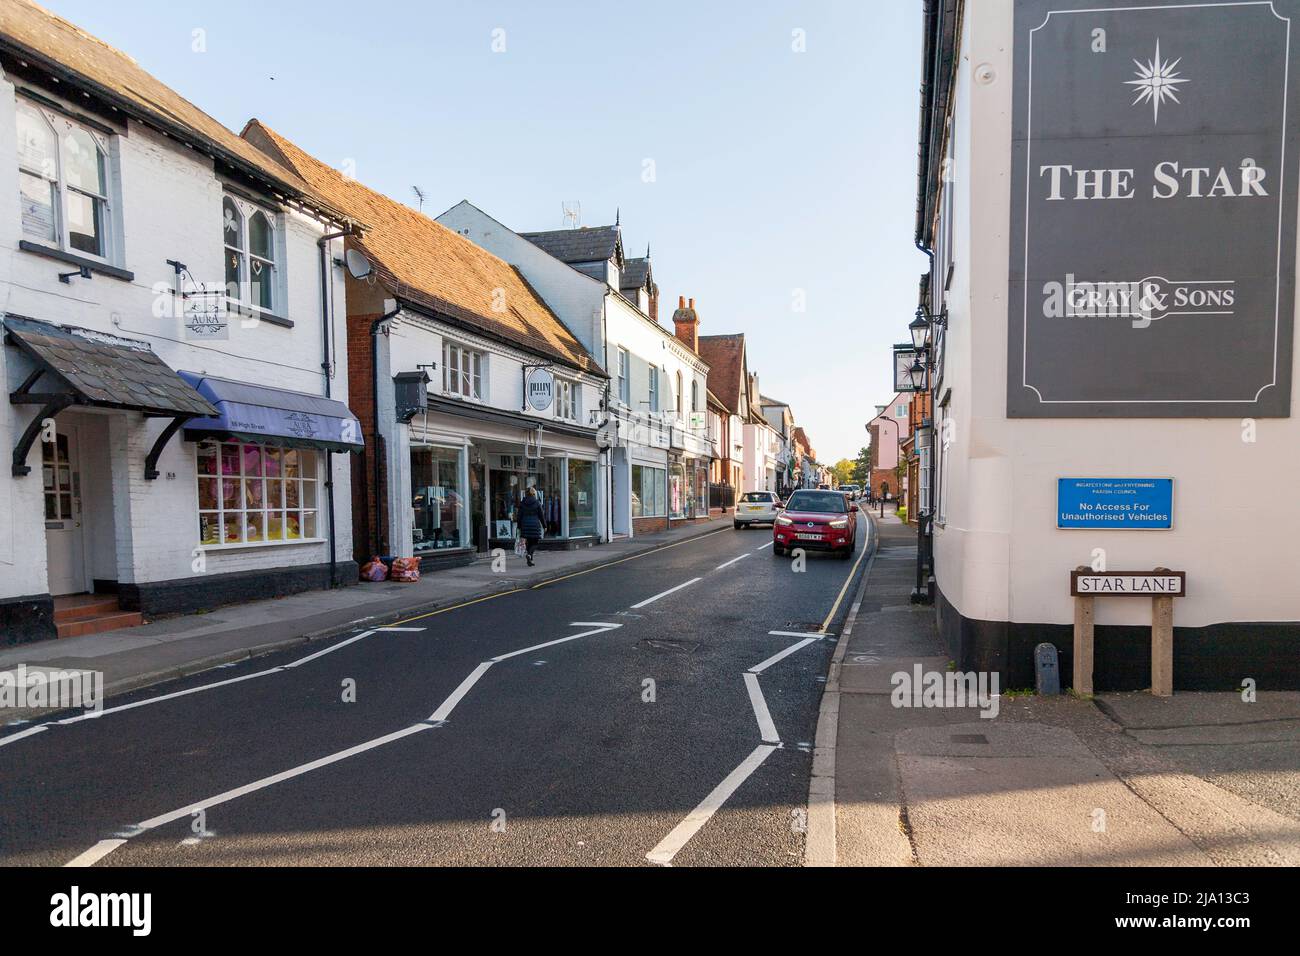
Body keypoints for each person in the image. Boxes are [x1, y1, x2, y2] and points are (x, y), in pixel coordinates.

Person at [517, 486, 545, 567]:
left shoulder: (522, 503)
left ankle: (530, 560)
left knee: (529, 542)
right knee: (535, 542)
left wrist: (519, 526)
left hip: (525, 525)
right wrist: (544, 525)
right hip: (534, 525)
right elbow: (541, 515)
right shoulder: (537, 502)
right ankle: (529, 555)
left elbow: (519, 516)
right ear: (533, 493)